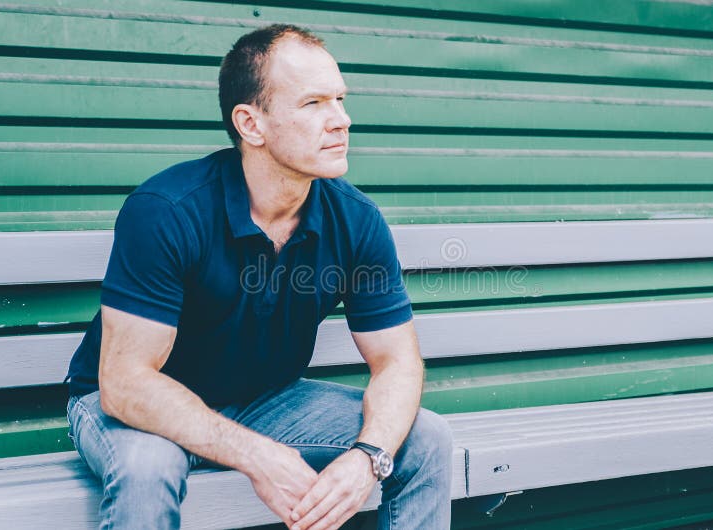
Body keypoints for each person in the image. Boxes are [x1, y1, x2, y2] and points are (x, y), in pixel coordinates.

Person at [64, 24, 452, 530]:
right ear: (251, 124)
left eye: (340, 99)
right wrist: (259, 456)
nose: (342, 120)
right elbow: (126, 384)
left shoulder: (355, 219)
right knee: (147, 467)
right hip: (136, 405)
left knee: (425, 438)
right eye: (314, 104)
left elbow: (397, 362)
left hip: (264, 401)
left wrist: (367, 457)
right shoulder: (167, 210)